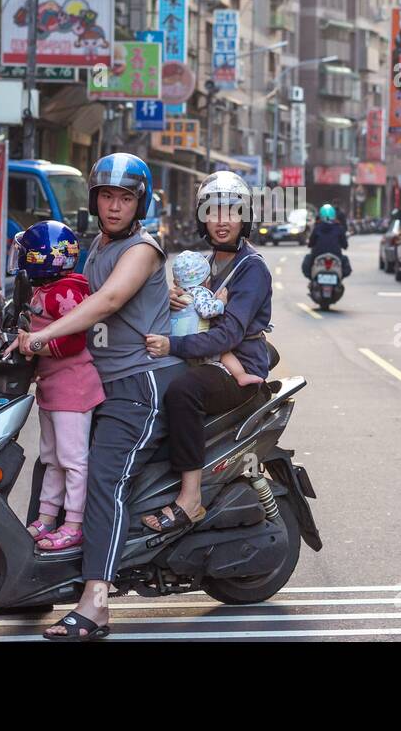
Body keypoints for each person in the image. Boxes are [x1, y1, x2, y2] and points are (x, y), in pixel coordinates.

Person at [6, 153, 187, 641]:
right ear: (94, 200)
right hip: (96, 383)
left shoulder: (143, 249)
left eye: (124, 197)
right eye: (106, 195)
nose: (113, 206)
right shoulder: (94, 246)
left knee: (104, 478)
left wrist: (43, 339)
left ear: (139, 203)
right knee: (51, 462)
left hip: (141, 383)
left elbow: (104, 302)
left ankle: (97, 603)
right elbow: (64, 291)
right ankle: (34, 578)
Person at [141, 171, 273, 534]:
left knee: (184, 392)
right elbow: (190, 313)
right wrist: (169, 300)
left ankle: (190, 497)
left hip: (237, 367)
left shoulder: (252, 270)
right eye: (213, 212)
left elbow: (228, 334)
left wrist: (173, 345)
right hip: (205, 357)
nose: (221, 220)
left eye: (231, 211)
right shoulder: (203, 264)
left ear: (244, 217)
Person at [10, 221, 105, 552]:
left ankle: (74, 523)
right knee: (51, 457)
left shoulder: (66, 293)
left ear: (41, 258)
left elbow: (72, 342)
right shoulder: (45, 290)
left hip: (73, 389)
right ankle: (47, 517)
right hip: (52, 389)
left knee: (73, 459)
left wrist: (31, 346)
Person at [169, 249, 262, 387]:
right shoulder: (200, 292)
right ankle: (241, 375)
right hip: (198, 343)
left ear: (176, 282)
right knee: (224, 353)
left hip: (181, 344)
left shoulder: (179, 296)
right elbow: (206, 311)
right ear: (207, 281)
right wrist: (220, 302)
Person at [302, 202, 350, 279]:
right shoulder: (339, 228)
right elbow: (345, 245)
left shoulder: (317, 228)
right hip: (336, 255)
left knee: (308, 259)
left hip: (317, 255)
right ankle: (339, 280)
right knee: (345, 260)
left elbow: (311, 243)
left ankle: (313, 280)